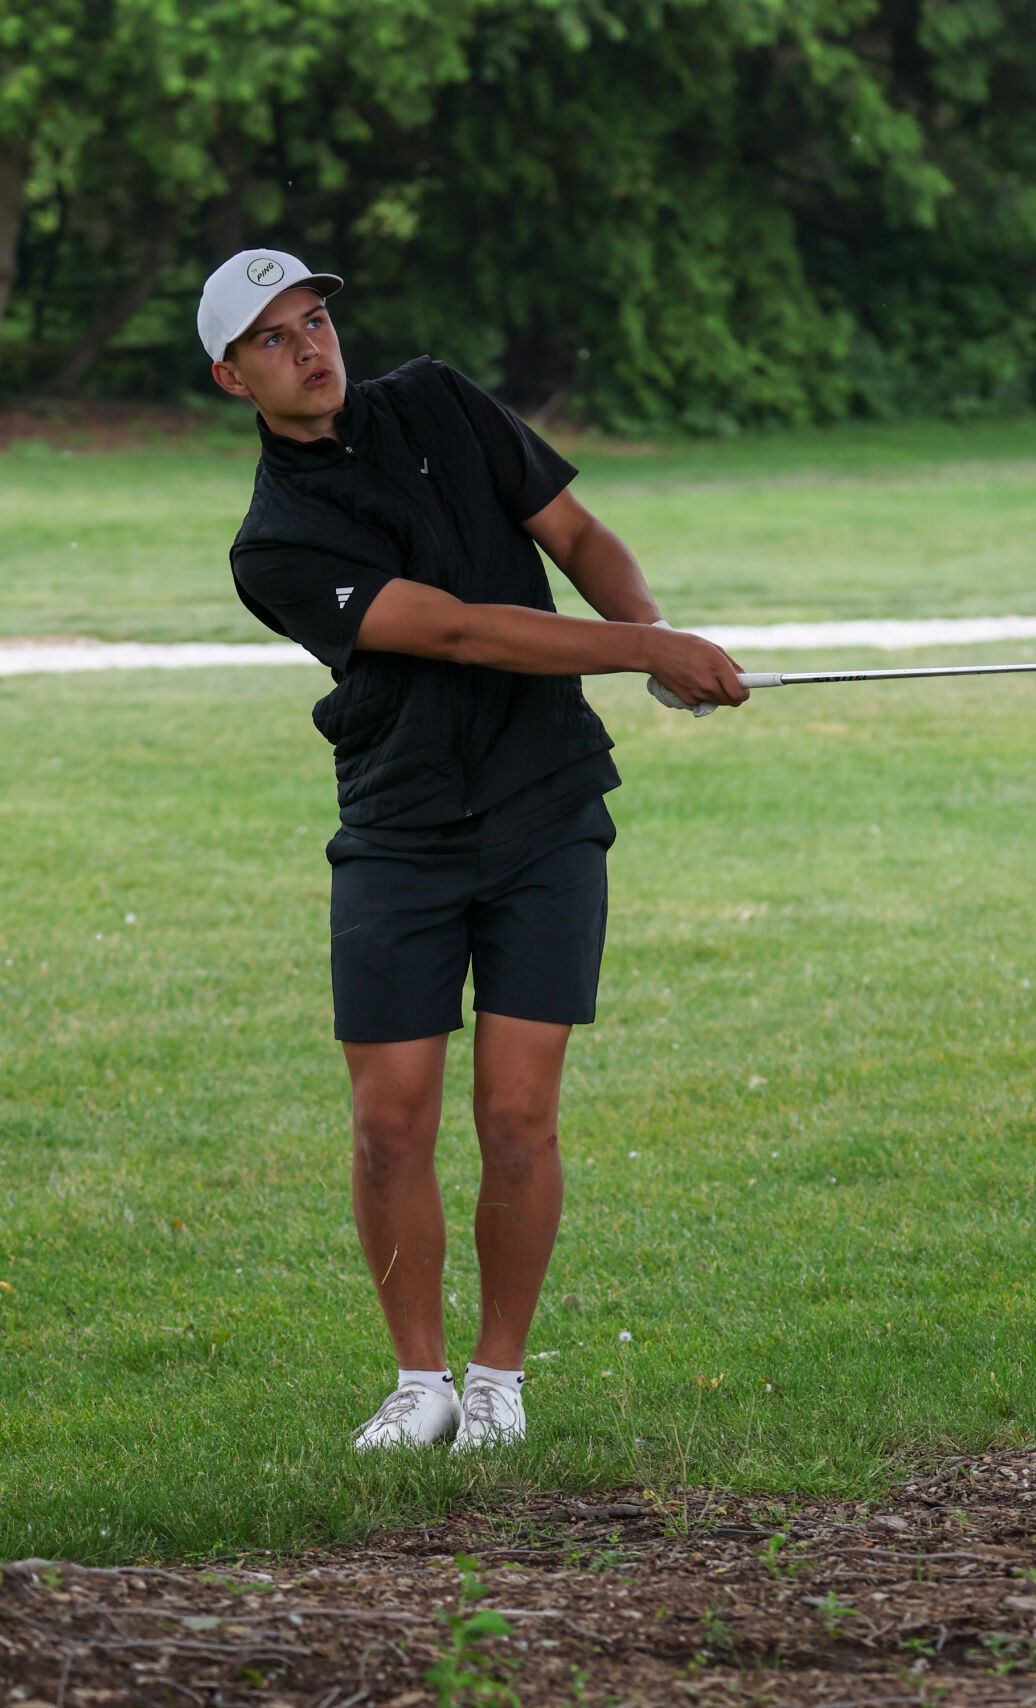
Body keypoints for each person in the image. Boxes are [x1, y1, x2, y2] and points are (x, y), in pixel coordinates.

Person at [197, 248, 746, 1453]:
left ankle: (497, 1377)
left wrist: (646, 630)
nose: (310, 347)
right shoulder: (274, 544)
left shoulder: (441, 400)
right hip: (399, 829)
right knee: (388, 1121)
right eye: (275, 339)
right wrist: (646, 654)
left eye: (315, 320)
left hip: (545, 807)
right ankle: (420, 1380)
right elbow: (451, 630)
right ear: (233, 377)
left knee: (517, 1115)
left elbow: (576, 530)